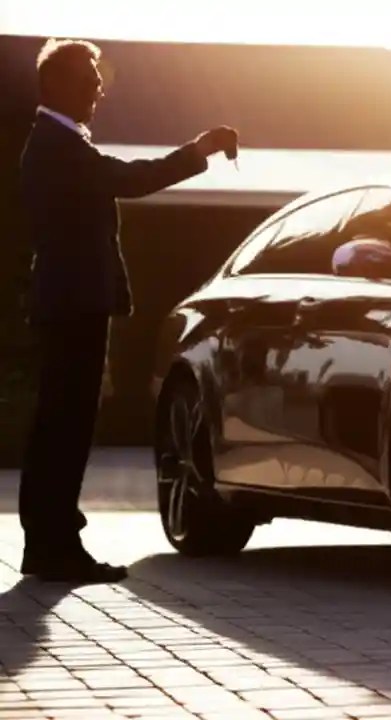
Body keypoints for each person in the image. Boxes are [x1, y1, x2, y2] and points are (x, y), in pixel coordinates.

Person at [18, 38, 239, 584]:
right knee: (65, 427)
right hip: (73, 304)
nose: (99, 88)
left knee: (60, 425)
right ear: (57, 84)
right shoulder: (59, 146)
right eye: (88, 78)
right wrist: (200, 150)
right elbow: (132, 179)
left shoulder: (59, 143)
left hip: (70, 302)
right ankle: (54, 546)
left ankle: (49, 543)